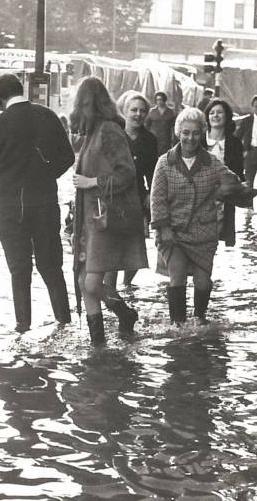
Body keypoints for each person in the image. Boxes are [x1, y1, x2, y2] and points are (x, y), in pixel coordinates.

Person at [0, 73, 75, 333]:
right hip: (45, 204)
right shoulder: (48, 116)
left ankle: (22, 329)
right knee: (51, 267)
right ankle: (64, 323)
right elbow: (68, 157)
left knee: (20, 271)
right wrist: (45, 175)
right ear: (22, 89)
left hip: (10, 207)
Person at [151, 107, 254, 325]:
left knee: (203, 282)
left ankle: (199, 320)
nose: (190, 138)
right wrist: (164, 229)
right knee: (176, 276)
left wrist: (238, 191)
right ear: (178, 132)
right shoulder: (164, 162)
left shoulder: (212, 162)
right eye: (186, 132)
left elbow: (231, 182)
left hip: (204, 232)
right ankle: (178, 324)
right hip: (174, 233)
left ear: (203, 133)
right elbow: (157, 199)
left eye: (196, 133)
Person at [71, 77, 148, 344]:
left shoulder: (109, 131)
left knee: (91, 283)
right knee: (84, 283)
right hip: (90, 221)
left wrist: (92, 182)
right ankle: (98, 344)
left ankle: (124, 314)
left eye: (82, 105)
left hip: (106, 219)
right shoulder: (92, 133)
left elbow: (128, 172)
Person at [115, 90, 158, 285]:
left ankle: (127, 284)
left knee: (135, 244)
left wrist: (151, 193)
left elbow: (153, 171)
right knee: (113, 242)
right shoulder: (114, 135)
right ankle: (109, 288)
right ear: (124, 111)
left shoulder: (149, 140)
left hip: (137, 195)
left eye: (142, 111)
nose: (138, 114)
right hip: (114, 193)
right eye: (133, 110)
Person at [204, 98, 246, 246]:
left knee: (217, 240)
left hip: (224, 200)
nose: (215, 116)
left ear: (227, 116)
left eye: (219, 112)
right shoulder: (199, 140)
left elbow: (239, 173)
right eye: (212, 113)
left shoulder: (234, 143)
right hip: (199, 197)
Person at [145, 91, 177, 155]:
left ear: (164, 100)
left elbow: (174, 127)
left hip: (166, 140)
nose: (159, 102)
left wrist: (173, 141)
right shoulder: (152, 112)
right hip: (154, 139)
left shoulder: (170, 112)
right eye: (157, 100)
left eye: (160, 99)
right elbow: (147, 126)